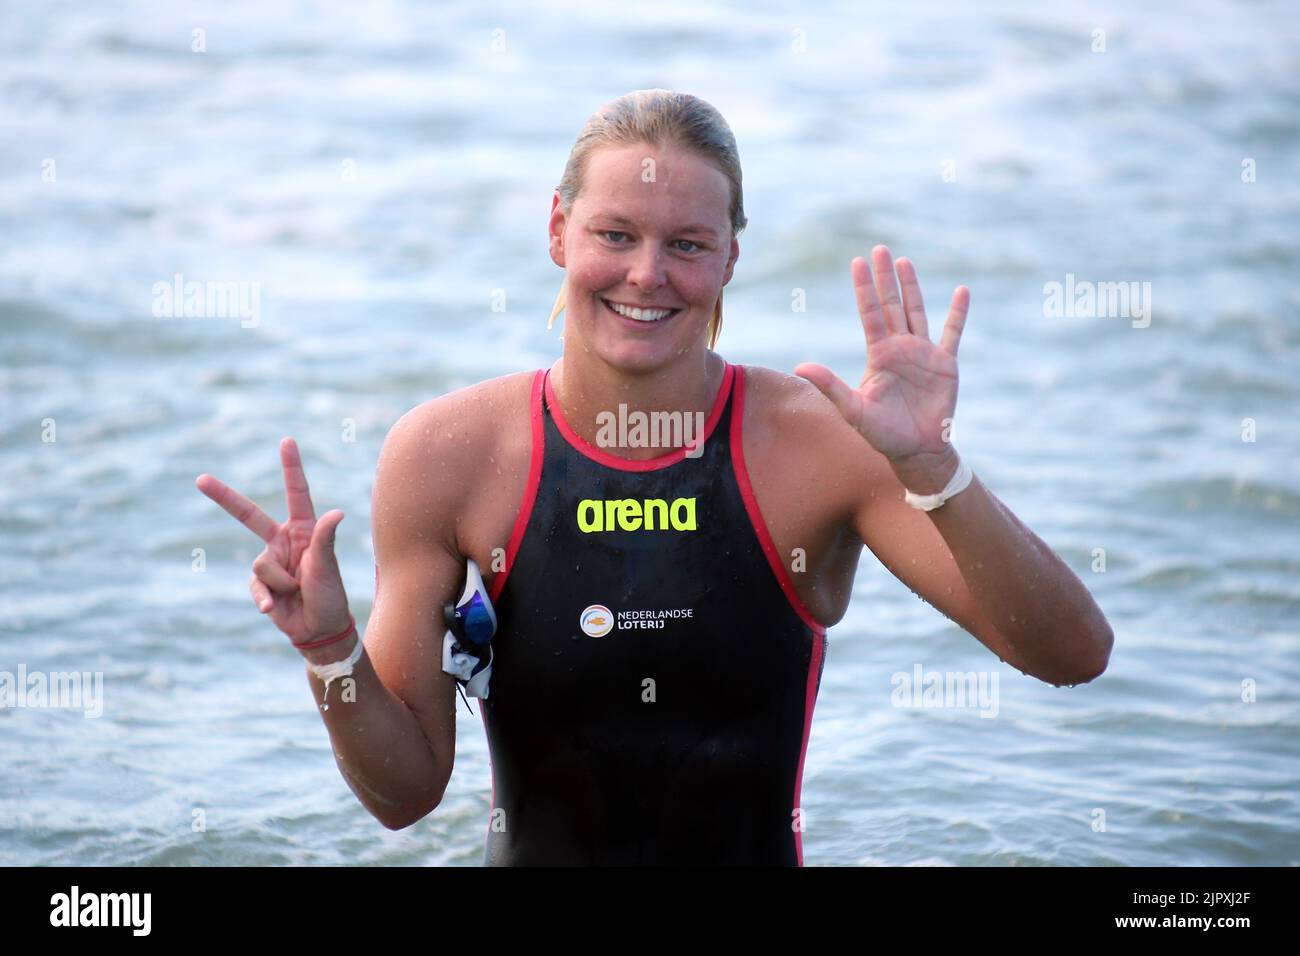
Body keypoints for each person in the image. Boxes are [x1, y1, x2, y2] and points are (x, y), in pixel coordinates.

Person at [195, 89, 1113, 866]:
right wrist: (332, 652)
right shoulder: (448, 454)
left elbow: (1072, 657)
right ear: (558, 231)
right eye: (615, 233)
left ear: (730, 259)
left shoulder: (819, 444)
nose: (646, 274)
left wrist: (933, 470)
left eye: (688, 244)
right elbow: (405, 796)